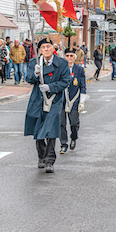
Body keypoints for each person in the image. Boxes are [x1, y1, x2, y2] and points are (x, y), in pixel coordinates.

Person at [24, 38, 72, 173]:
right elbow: (28, 78)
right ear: (39, 50)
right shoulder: (35, 62)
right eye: (43, 47)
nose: (46, 49)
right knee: (38, 130)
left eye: (48, 47)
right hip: (37, 100)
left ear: (53, 48)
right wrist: (35, 73)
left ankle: (50, 160)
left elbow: (66, 81)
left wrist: (50, 87)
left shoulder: (62, 63)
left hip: (54, 100)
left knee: (51, 130)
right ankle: (42, 156)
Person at [60, 48, 87, 154]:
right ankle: (63, 144)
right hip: (61, 100)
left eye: (71, 56)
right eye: (67, 56)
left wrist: (82, 101)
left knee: (74, 123)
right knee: (61, 123)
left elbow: (83, 86)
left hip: (74, 100)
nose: (69, 58)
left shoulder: (79, 70)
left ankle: (74, 138)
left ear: (75, 57)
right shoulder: (61, 69)